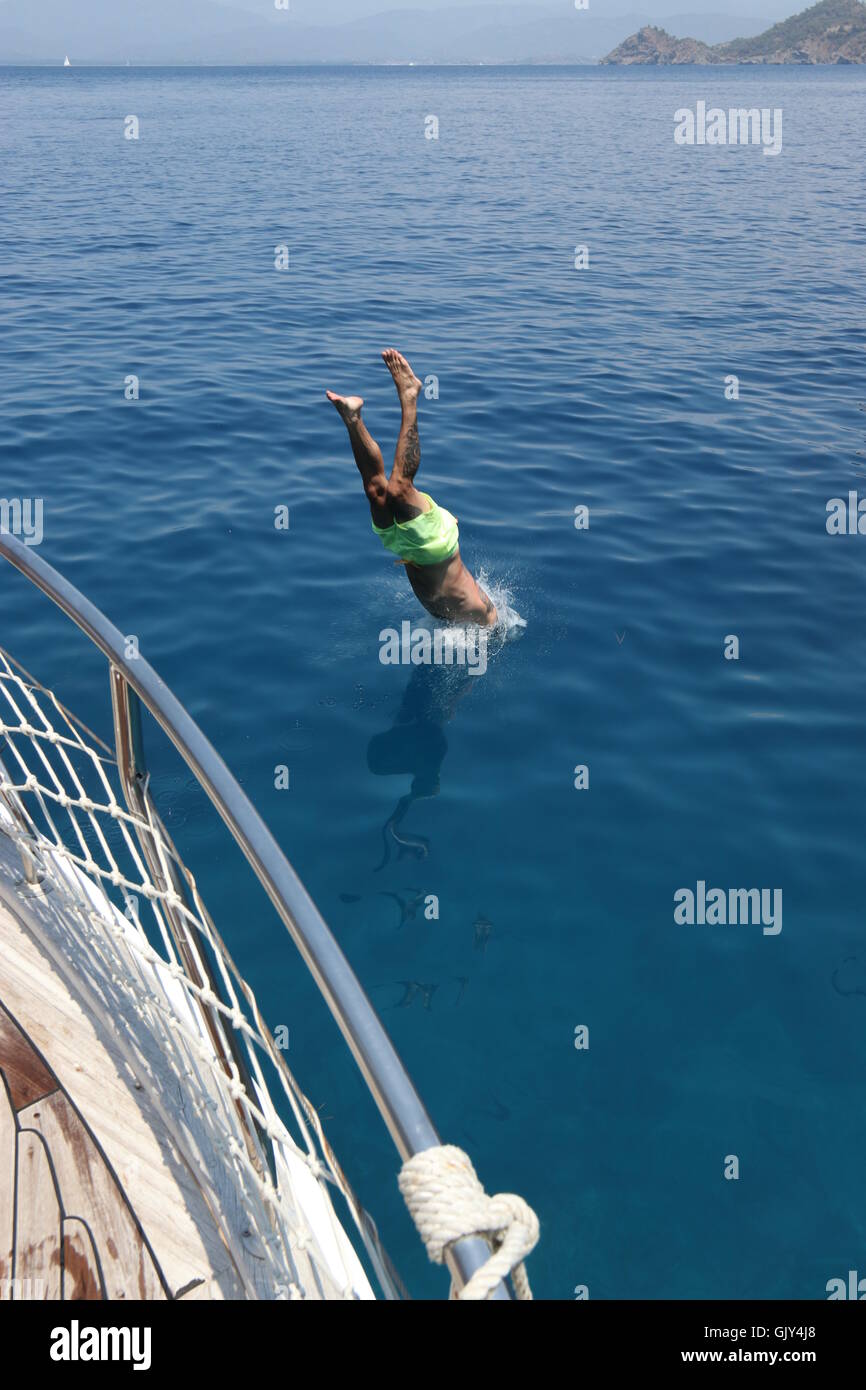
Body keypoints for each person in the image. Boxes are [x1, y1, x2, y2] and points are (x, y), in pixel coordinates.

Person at [327, 350, 497, 627]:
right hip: (434, 546)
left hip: (405, 548)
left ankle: (352, 418)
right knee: (399, 489)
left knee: (376, 490)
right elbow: (491, 613)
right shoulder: (485, 616)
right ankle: (410, 395)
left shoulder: (456, 616)